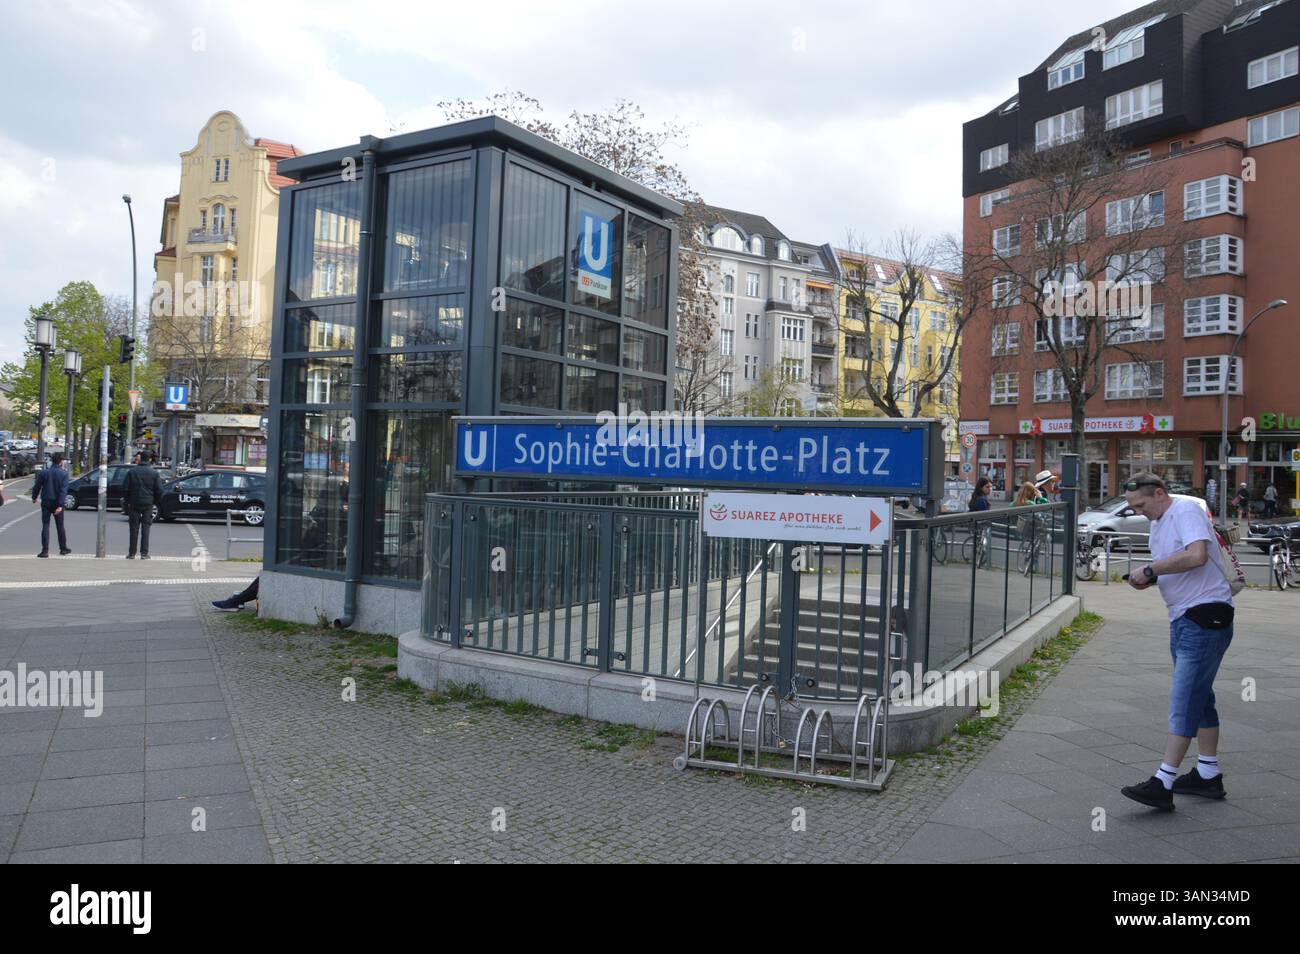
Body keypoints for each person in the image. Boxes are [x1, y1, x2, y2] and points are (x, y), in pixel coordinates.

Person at [1120, 472, 1235, 811]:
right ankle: (1207, 775)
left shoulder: (1184, 510)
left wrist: (1152, 570)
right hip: (1187, 617)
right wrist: (1151, 579)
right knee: (1200, 698)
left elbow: (1197, 555)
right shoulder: (1160, 519)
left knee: (1184, 700)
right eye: (1133, 507)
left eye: (1141, 504)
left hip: (1204, 617)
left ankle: (1163, 781)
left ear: (1159, 493)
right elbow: (1180, 565)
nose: (1140, 511)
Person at [123, 450, 166, 560]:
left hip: (134, 503)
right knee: (146, 528)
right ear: (150, 459)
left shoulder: (132, 472)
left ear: (140, 458)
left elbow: (125, 488)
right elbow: (160, 490)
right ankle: (144, 553)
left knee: (134, 528)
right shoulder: (154, 473)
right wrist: (154, 501)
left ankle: (132, 553)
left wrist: (128, 501)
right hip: (148, 503)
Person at [29, 452, 71, 557]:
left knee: (45, 525)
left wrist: (34, 497)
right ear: (61, 462)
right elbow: (63, 491)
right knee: (60, 526)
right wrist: (60, 505)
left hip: (46, 501)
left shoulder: (44, 473)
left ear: (52, 461)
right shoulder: (64, 474)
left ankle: (45, 551)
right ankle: (63, 548)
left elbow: (37, 486)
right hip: (57, 502)